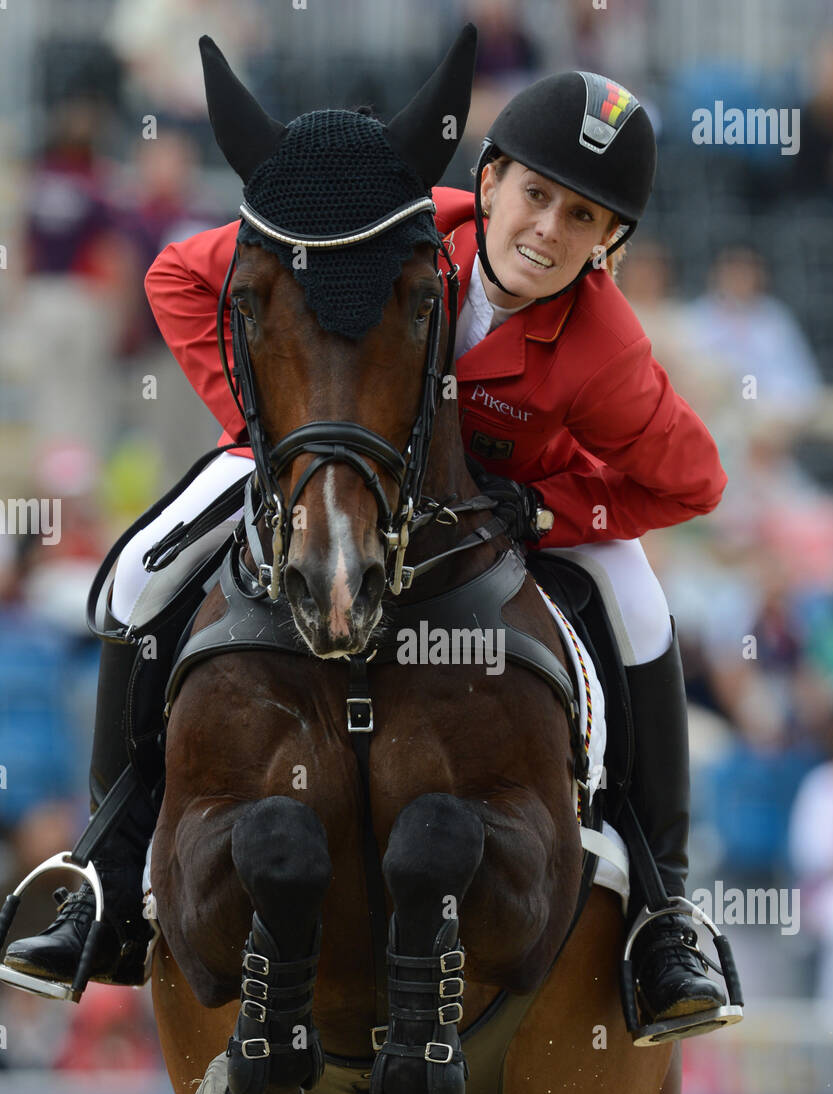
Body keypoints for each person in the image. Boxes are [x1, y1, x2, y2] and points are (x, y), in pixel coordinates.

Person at [5, 64, 735, 1037]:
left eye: (583, 218)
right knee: (139, 574)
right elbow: (176, 276)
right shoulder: (385, 220)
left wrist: (546, 511)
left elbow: (693, 483)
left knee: (642, 608)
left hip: (499, 516)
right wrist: (270, 434)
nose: (548, 231)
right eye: (536, 195)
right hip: (324, 467)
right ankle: (102, 869)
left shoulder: (604, 347)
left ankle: (663, 909)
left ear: (611, 242)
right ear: (489, 179)